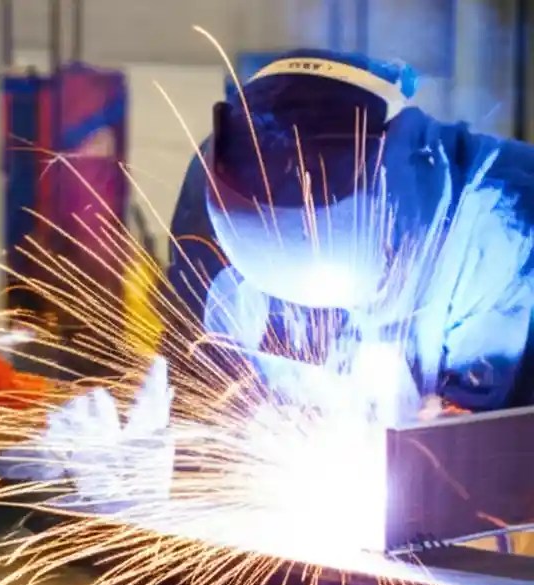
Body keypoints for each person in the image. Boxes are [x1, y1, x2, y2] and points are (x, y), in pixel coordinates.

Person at [166, 49, 534, 417]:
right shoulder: (216, 208)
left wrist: (448, 422)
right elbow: (206, 374)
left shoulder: (505, 238)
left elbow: (491, 445)